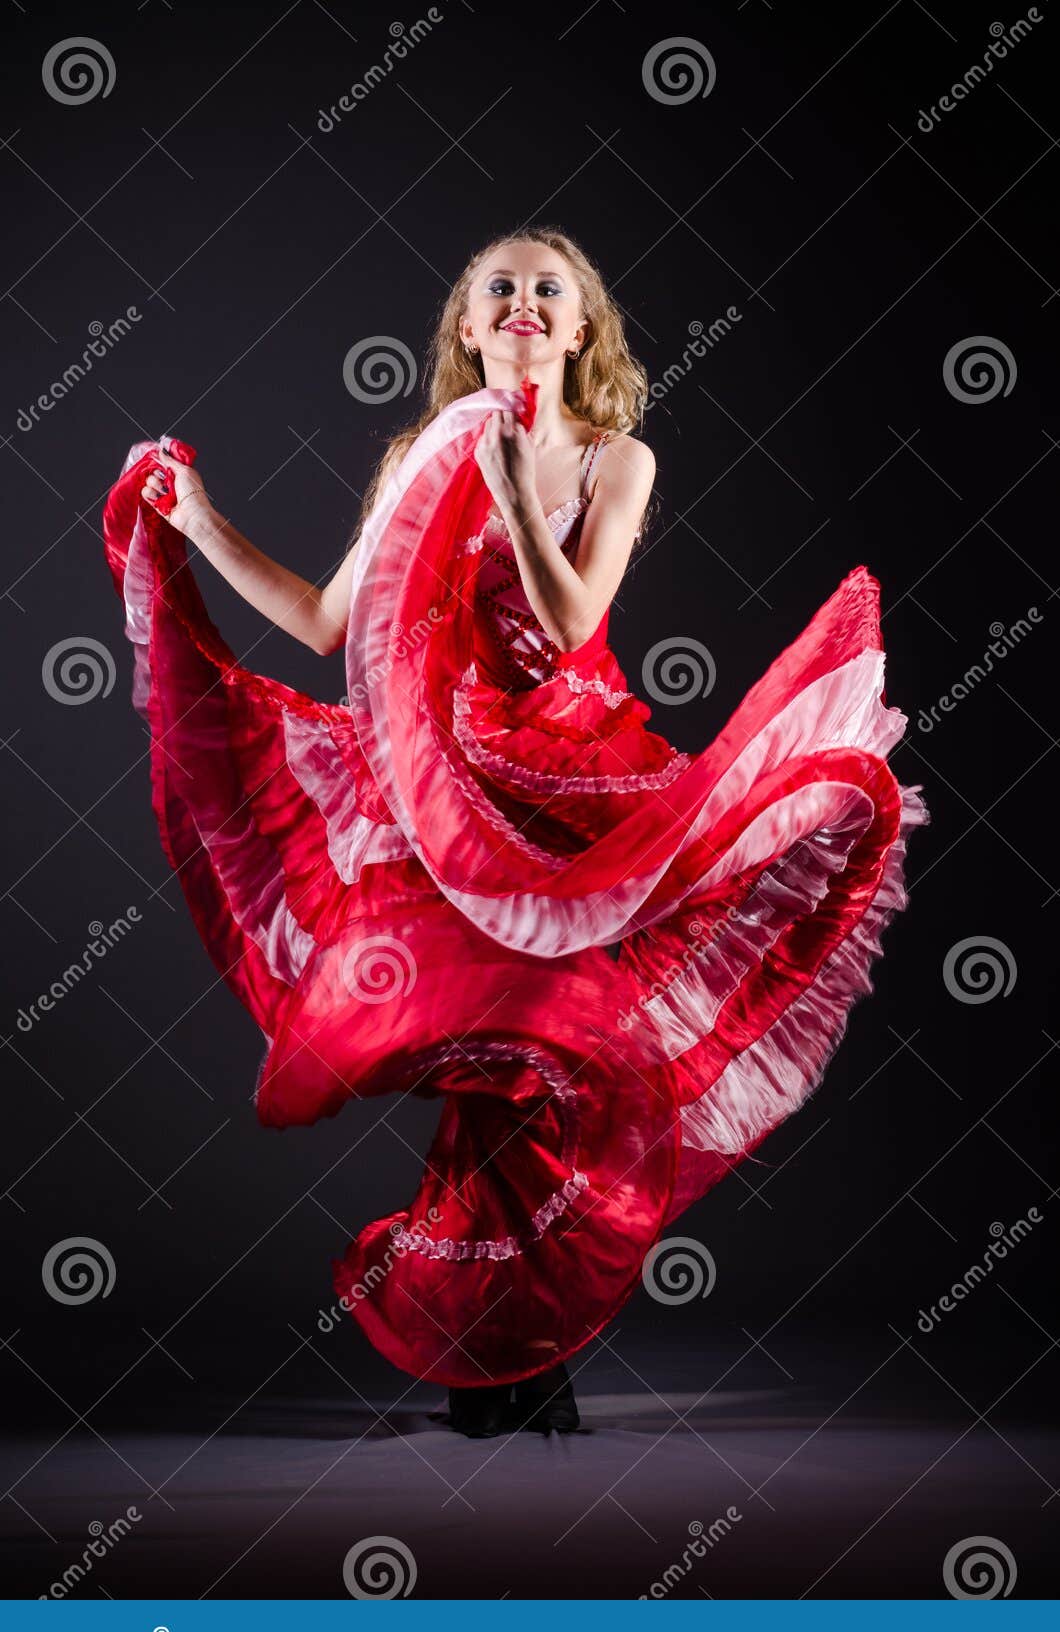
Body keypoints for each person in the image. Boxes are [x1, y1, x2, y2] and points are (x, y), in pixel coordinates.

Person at [102, 224, 929, 1440]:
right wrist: (199, 522)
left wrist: (503, 485)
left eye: (550, 288)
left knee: (566, 1053)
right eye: (500, 286)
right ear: (469, 323)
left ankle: (508, 1352)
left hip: (575, 790)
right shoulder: (419, 454)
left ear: (580, 328)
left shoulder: (615, 458)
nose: (524, 301)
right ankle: (505, 1358)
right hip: (449, 793)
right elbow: (329, 623)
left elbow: (574, 613)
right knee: (500, 1054)